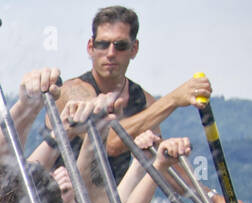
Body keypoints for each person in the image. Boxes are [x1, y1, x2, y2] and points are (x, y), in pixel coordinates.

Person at [52, 5, 214, 182]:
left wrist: (213, 198)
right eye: (103, 44)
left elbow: (169, 172)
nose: (111, 53)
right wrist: (173, 99)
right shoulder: (71, 91)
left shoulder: (143, 102)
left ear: (134, 48)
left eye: (120, 45)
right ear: (91, 47)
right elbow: (110, 142)